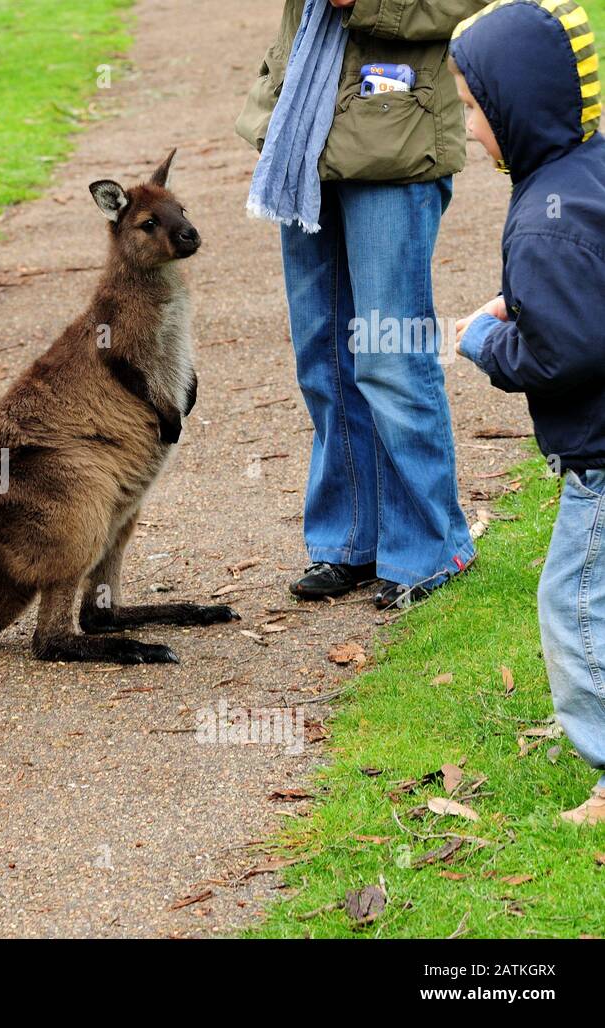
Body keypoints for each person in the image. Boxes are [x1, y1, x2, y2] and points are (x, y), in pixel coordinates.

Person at [237, 0, 487, 608]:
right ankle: (349, 540)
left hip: (395, 136)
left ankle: (431, 548)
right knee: (322, 355)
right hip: (303, 134)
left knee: (389, 355)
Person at [451, 0, 605, 825]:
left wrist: (485, 339)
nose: (470, 128)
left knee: (574, 608)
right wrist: (535, 304)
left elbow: (564, 354)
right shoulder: (589, 177)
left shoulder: (545, 220)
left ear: (518, 102)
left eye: (476, 106)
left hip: (599, 462)